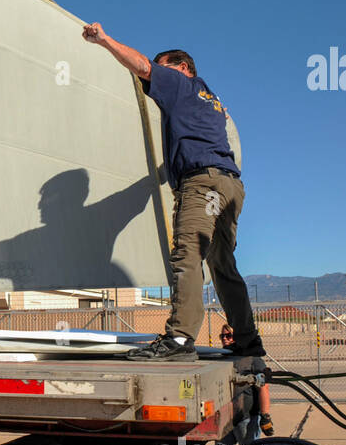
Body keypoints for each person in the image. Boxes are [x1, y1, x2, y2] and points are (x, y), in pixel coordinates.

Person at [81, 26, 263, 361]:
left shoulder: (180, 83)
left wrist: (104, 40)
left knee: (187, 257)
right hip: (228, 186)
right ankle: (248, 339)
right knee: (222, 264)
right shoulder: (210, 99)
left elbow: (143, 67)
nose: (155, 76)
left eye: (163, 66)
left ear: (182, 68)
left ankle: (179, 340)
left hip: (203, 185)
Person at [220, 323, 274, 435]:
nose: (224, 339)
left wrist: (265, 416)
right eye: (222, 336)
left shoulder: (252, 359)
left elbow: (264, 388)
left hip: (246, 419)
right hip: (225, 419)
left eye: (228, 336)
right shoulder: (222, 358)